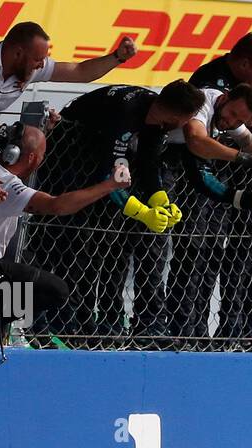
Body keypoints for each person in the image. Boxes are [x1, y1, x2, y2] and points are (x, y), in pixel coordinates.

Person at [30, 80, 204, 345]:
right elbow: (109, 174)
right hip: (68, 163)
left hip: (93, 165)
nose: (187, 125)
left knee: (96, 249)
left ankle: (84, 320)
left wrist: (161, 201)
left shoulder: (157, 119)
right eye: (188, 119)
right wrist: (142, 213)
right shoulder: (127, 114)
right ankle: (55, 322)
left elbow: (148, 165)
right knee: (68, 246)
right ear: (177, 115)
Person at [0, 125, 123, 346]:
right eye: (42, 155)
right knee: (57, 291)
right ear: (33, 158)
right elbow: (57, 206)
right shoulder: (5, 186)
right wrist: (110, 185)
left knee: (26, 267)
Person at [164, 83, 252, 341]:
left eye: (239, 120)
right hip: (157, 161)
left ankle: (194, 329)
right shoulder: (203, 102)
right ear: (226, 97)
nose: (230, 122)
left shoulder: (229, 114)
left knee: (204, 256)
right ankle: (164, 327)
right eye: (232, 114)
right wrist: (239, 157)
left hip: (180, 171)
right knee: (172, 252)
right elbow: (196, 140)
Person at [0, 21, 139, 117]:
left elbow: (80, 71)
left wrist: (118, 57)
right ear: (17, 53)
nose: (42, 64)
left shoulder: (33, 69)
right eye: (37, 58)